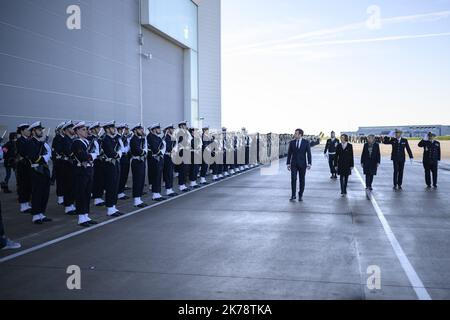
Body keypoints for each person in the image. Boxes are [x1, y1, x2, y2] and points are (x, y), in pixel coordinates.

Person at [71, 121, 99, 227]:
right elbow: (83, 156)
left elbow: (94, 153)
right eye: (83, 129)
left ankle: (86, 215)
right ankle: (81, 218)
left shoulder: (87, 142)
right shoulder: (76, 143)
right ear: (77, 131)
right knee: (81, 194)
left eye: (86, 129)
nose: (86, 131)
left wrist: (92, 154)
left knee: (87, 194)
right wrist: (92, 155)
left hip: (88, 170)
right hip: (81, 172)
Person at [25, 121, 53, 224]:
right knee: (37, 193)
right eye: (39, 130)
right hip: (36, 170)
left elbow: (48, 154)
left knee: (45, 193)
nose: (41, 131)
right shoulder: (30, 142)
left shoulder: (42, 143)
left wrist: (47, 155)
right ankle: (36, 215)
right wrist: (45, 157)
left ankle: (41, 213)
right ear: (33, 131)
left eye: (41, 130)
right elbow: (34, 158)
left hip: (44, 170)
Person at [102, 121, 123, 217]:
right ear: (107, 129)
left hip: (116, 164)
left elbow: (120, 150)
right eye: (112, 128)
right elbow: (112, 153)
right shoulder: (105, 139)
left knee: (115, 186)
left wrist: (119, 153)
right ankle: (109, 208)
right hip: (110, 165)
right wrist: (118, 154)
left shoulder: (114, 139)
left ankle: (113, 206)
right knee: (110, 186)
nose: (114, 129)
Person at [286, 128, 312, 201]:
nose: (294, 134)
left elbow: (309, 153)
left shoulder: (306, 142)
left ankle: (300, 194)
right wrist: (288, 163)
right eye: (295, 133)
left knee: (302, 180)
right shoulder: (292, 142)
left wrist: (309, 163)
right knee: (293, 179)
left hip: (302, 164)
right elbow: (289, 154)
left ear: (300, 134)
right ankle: (293, 195)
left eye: (296, 133)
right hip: (293, 164)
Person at [129, 123, 149, 207]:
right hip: (136, 161)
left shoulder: (140, 139)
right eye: (140, 129)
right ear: (135, 130)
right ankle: (136, 200)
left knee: (141, 180)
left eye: (142, 129)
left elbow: (144, 147)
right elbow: (139, 151)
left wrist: (144, 139)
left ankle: (139, 199)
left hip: (141, 161)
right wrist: (144, 151)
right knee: (137, 181)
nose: (142, 131)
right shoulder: (133, 139)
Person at [60, 121, 77, 215]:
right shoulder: (65, 140)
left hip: (72, 165)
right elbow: (69, 153)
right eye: (71, 128)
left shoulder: (71, 140)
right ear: (66, 130)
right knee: (68, 186)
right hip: (67, 165)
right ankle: (67, 206)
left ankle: (71, 204)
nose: (73, 129)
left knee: (72, 186)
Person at [16, 124, 32, 213]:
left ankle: (26, 204)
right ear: (22, 131)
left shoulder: (28, 140)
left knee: (28, 185)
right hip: (23, 166)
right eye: (27, 130)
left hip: (28, 166)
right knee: (23, 185)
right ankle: (23, 205)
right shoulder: (20, 141)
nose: (29, 131)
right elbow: (23, 152)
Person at [147, 123, 166, 201]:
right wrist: (161, 152)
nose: (159, 130)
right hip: (155, 159)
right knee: (155, 176)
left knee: (158, 176)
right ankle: (155, 194)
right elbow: (155, 148)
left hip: (159, 158)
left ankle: (158, 193)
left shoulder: (157, 137)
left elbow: (162, 145)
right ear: (154, 129)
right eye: (158, 129)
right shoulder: (151, 137)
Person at [89, 122, 106, 207]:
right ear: (93, 129)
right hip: (94, 162)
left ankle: (99, 196)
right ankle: (96, 198)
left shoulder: (99, 138)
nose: (99, 129)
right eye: (97, 128)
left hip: (100, 161)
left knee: (101, 179)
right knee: (96, 179)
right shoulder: (90, 139)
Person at [52, 122, 66, 205]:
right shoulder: (57, 138)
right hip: (59, 162)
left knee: (65, 180)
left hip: (65, 162)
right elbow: (56, 150)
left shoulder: (65, 138)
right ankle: (60, 197)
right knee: (60, 180)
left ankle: (64, 195)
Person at [163, 124, 178, 196]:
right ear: (168, 130)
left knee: (171, 173)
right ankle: (168, 189)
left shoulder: (172, 137)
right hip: (167, 156)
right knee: (168, 173)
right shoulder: (166, 137)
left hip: (172, 156)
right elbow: (167, 148)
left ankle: (170, 188)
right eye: (172, 129)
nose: (173, 130)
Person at [117, 123, 131, 200]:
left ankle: (121, 191)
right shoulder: (118, 138)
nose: (127, 131)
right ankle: (119, 192)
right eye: (125, 129)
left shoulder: (125, 138)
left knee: (125, 175)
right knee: (121, 175)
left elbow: (128, 148)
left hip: (126, 157)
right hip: (121, 158)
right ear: (120, 130)